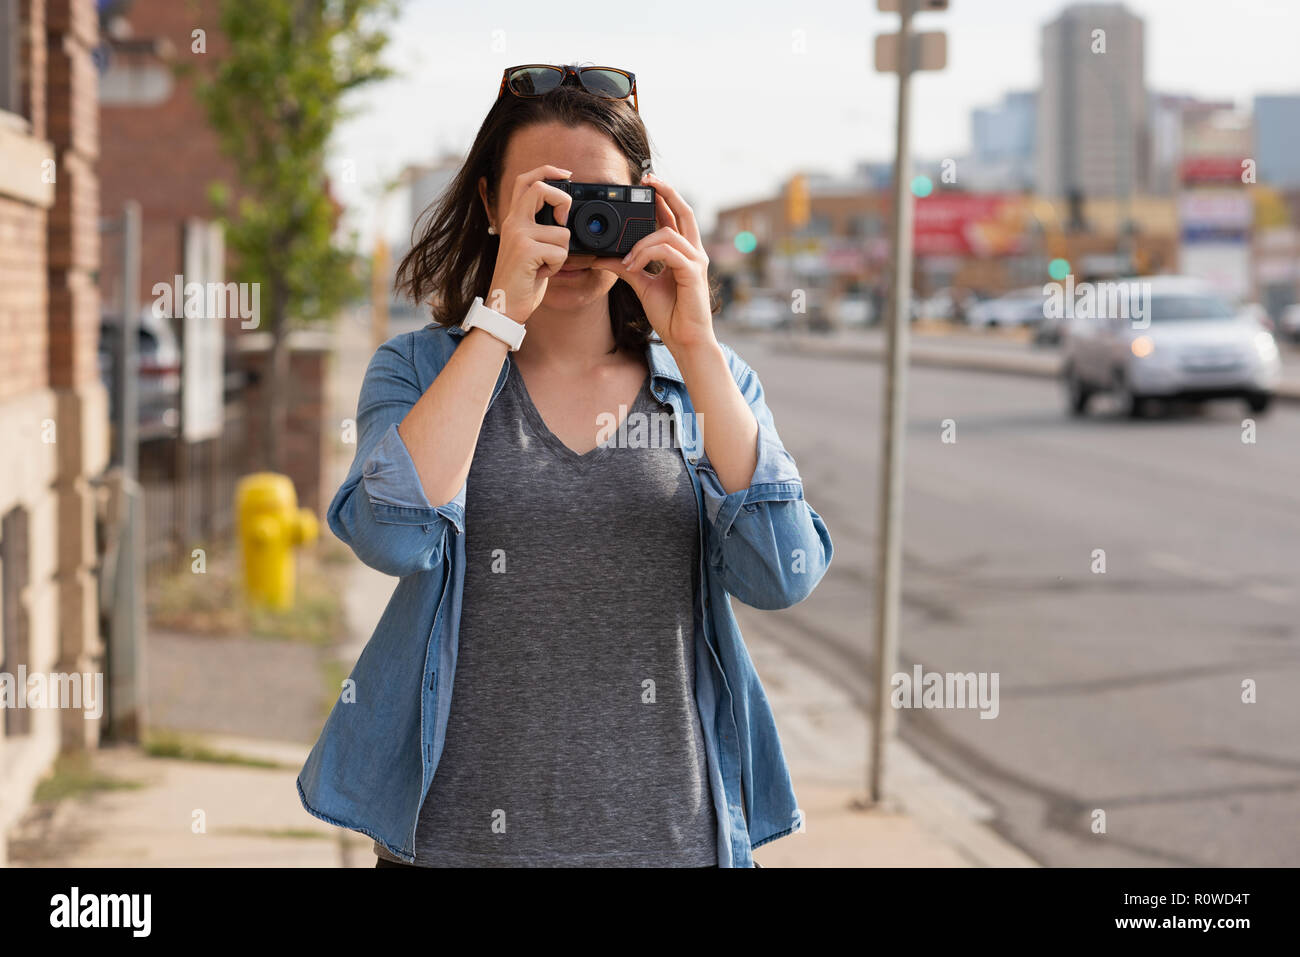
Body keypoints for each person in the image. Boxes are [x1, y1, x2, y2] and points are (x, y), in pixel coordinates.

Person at [296, 63, 833, 868]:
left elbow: (782, 573)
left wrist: (696, 344)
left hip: (669, 842)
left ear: (648, 209)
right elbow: (393, 537)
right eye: (548, 201)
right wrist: (501, 317)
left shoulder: (710, 383)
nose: (577, 231)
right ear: (489, 205)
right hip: (457, 844)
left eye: (602, 205)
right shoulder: (416, 372)